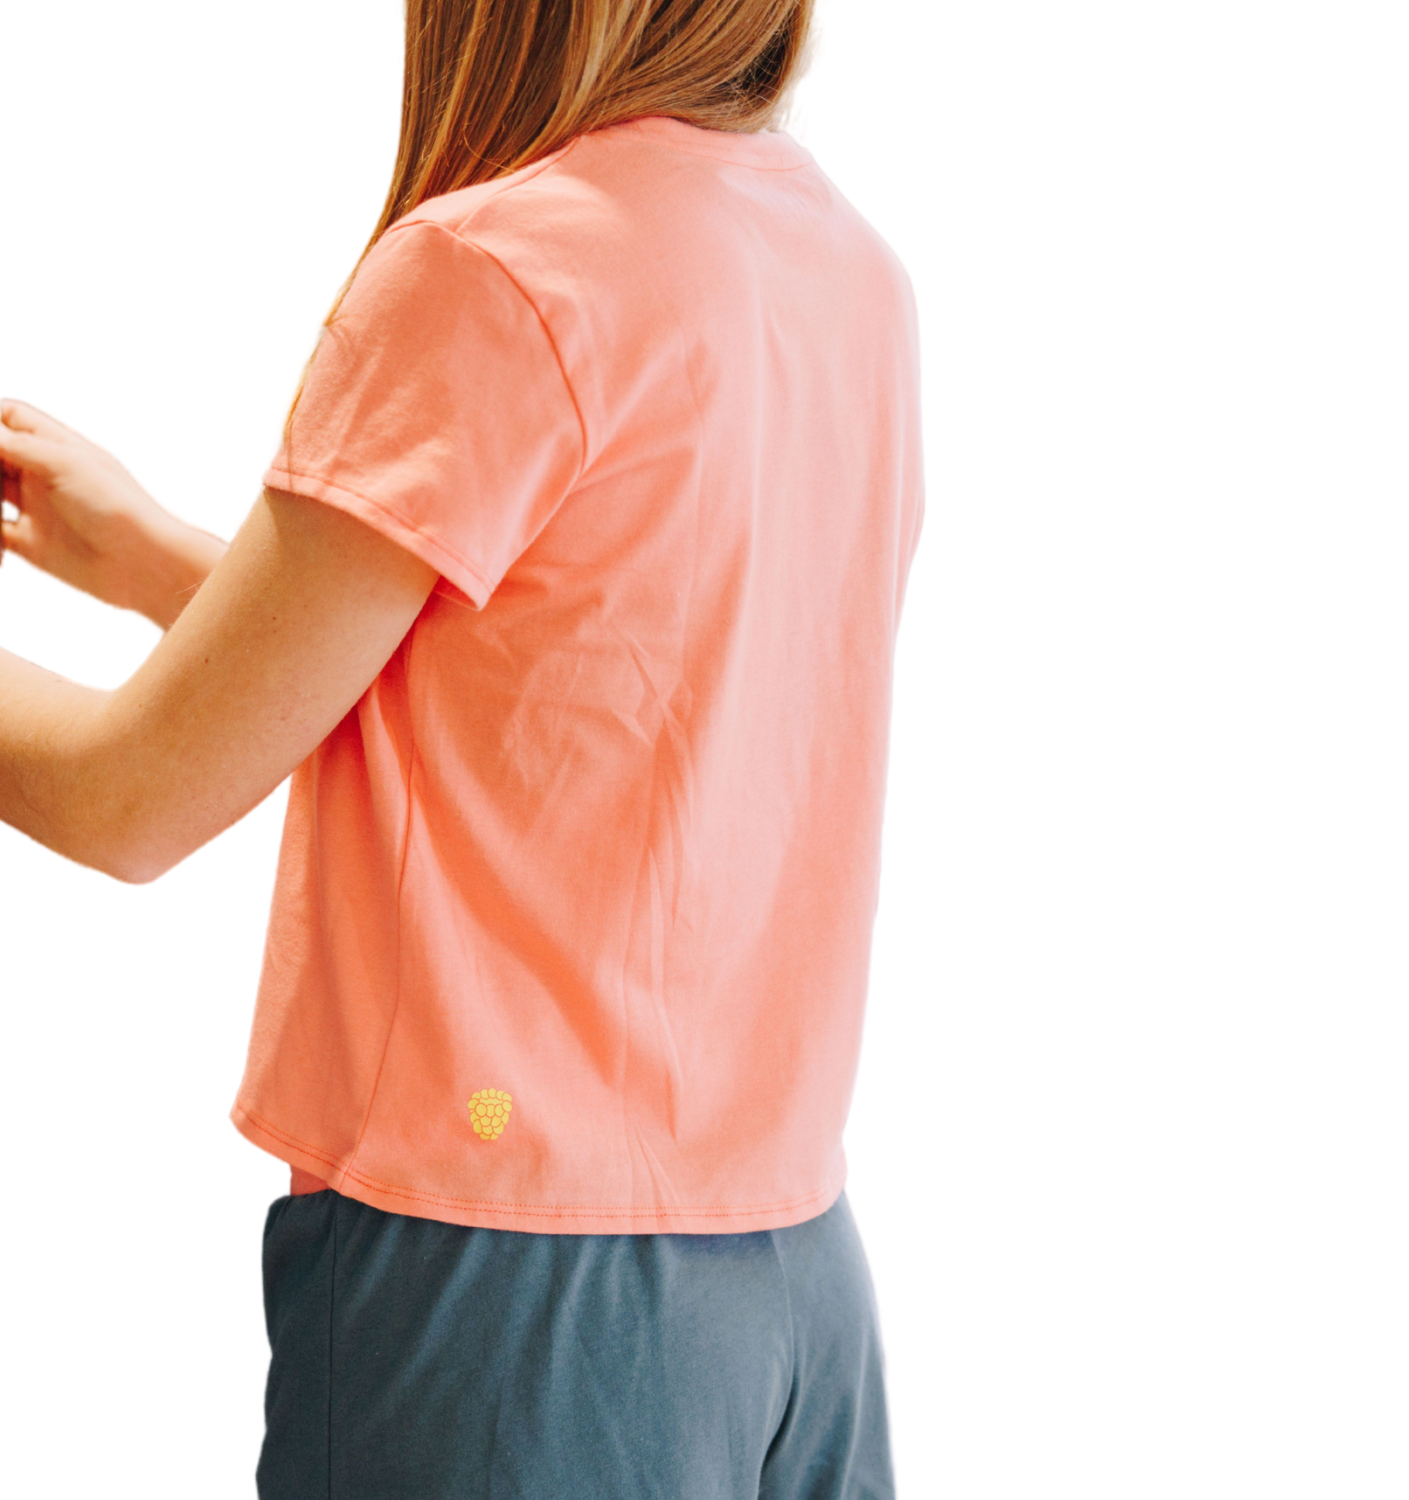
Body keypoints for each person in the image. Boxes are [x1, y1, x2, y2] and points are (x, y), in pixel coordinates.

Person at [0, 0, 923, 1494]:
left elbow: (126, 797)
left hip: (508, 1294)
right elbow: (566, 682)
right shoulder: (838, 264)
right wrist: (153, 554)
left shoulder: (493, 268)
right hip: (790, 1287)